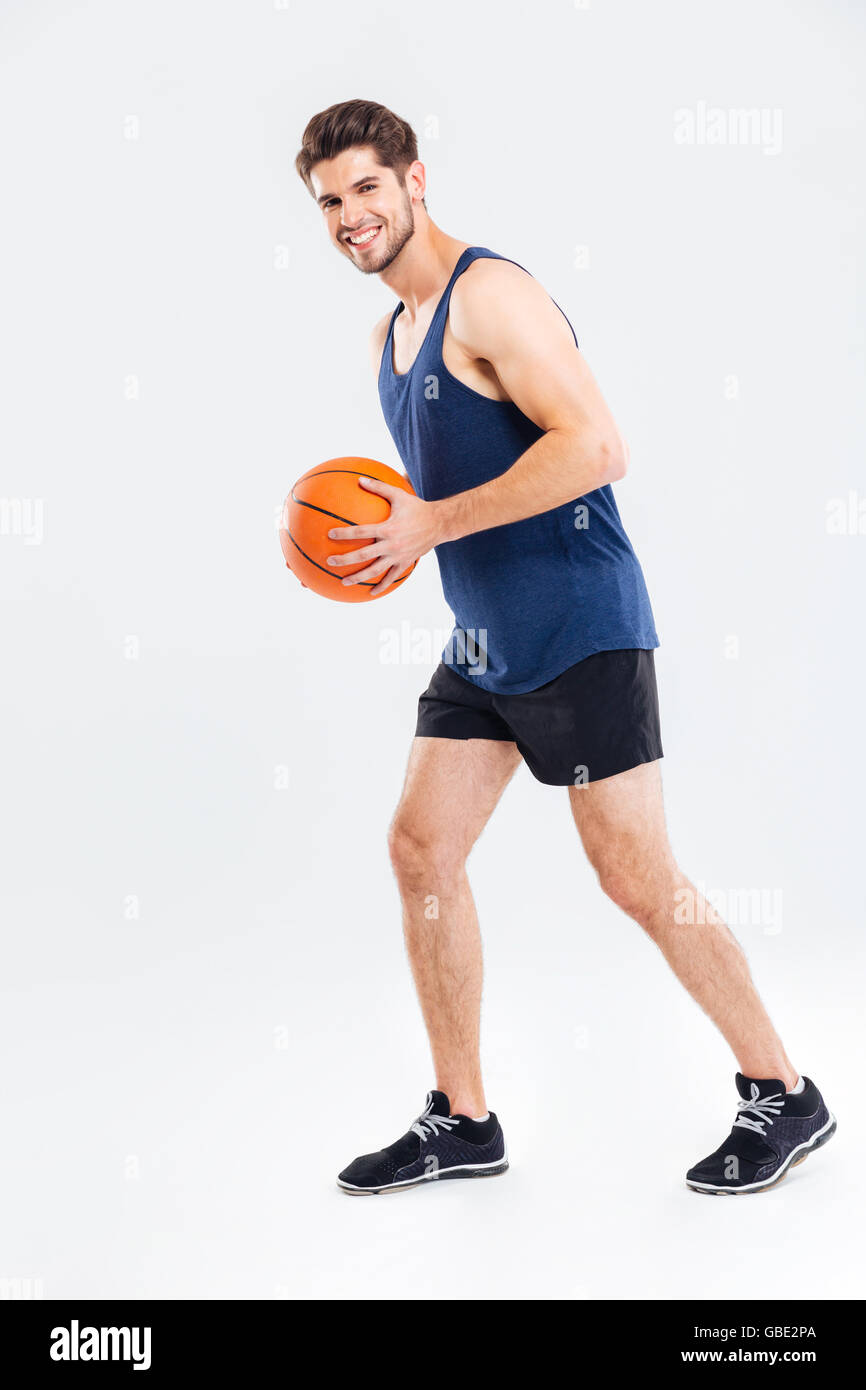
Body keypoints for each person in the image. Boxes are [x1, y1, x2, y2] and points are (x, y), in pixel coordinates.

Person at [294, 99, 835, 1197]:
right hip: (484, 641)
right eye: (329, 201)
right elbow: (443, 495)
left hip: (582, 627)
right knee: (419, 850)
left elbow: (596, 447)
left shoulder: (487, 295)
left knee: (634, 877)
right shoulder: (385, 335)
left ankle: (784, 1092)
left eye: (365, 188)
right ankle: (463, 1119)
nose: (350, 215)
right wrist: (398, 544)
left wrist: (428, 525)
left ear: (414, 180)